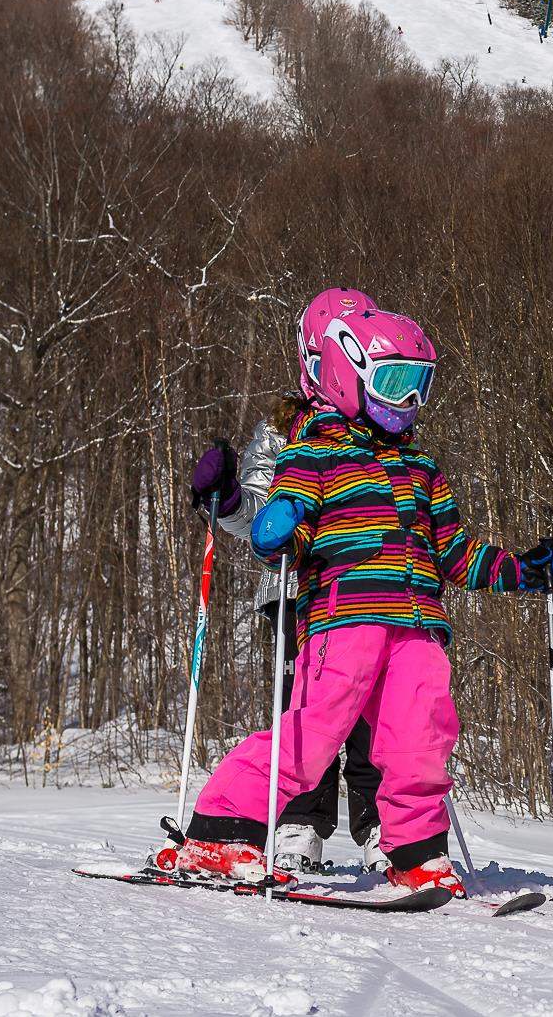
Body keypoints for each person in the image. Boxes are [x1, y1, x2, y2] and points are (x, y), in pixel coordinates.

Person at [169, 299, 553, 894]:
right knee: (313, 732)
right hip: (344, 619)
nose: (407, 401)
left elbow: (456, 552)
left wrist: (522, 571)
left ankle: (415, 850)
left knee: (422, 735)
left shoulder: (422, 468)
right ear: (343, 374)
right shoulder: (313, 451)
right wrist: (274, 521)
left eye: (418, 385)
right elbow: (287, 524)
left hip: (418, 626)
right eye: (393, 383)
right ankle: (222, 829)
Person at [188, 290, 387, 876]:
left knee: (374, 714)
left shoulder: (382, 431)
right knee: (307, 710)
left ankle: (380, 821)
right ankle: (301, 819)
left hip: (369, 593)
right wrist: (225, 497)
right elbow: (256, 510)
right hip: (296, 593)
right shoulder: (283, 431)